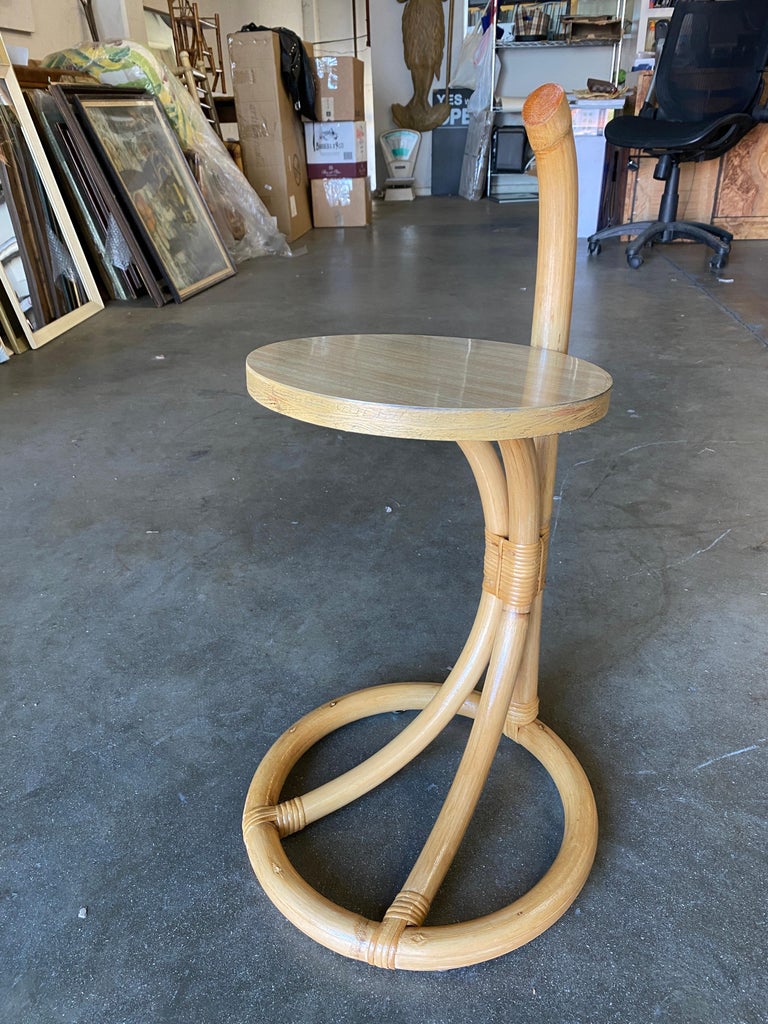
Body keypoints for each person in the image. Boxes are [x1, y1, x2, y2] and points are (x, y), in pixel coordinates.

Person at [392, 0, 450, 131]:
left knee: (430, 59)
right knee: (415, 59)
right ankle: (416, 100)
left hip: (433, 13)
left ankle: (423, 101)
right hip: (416, 14)